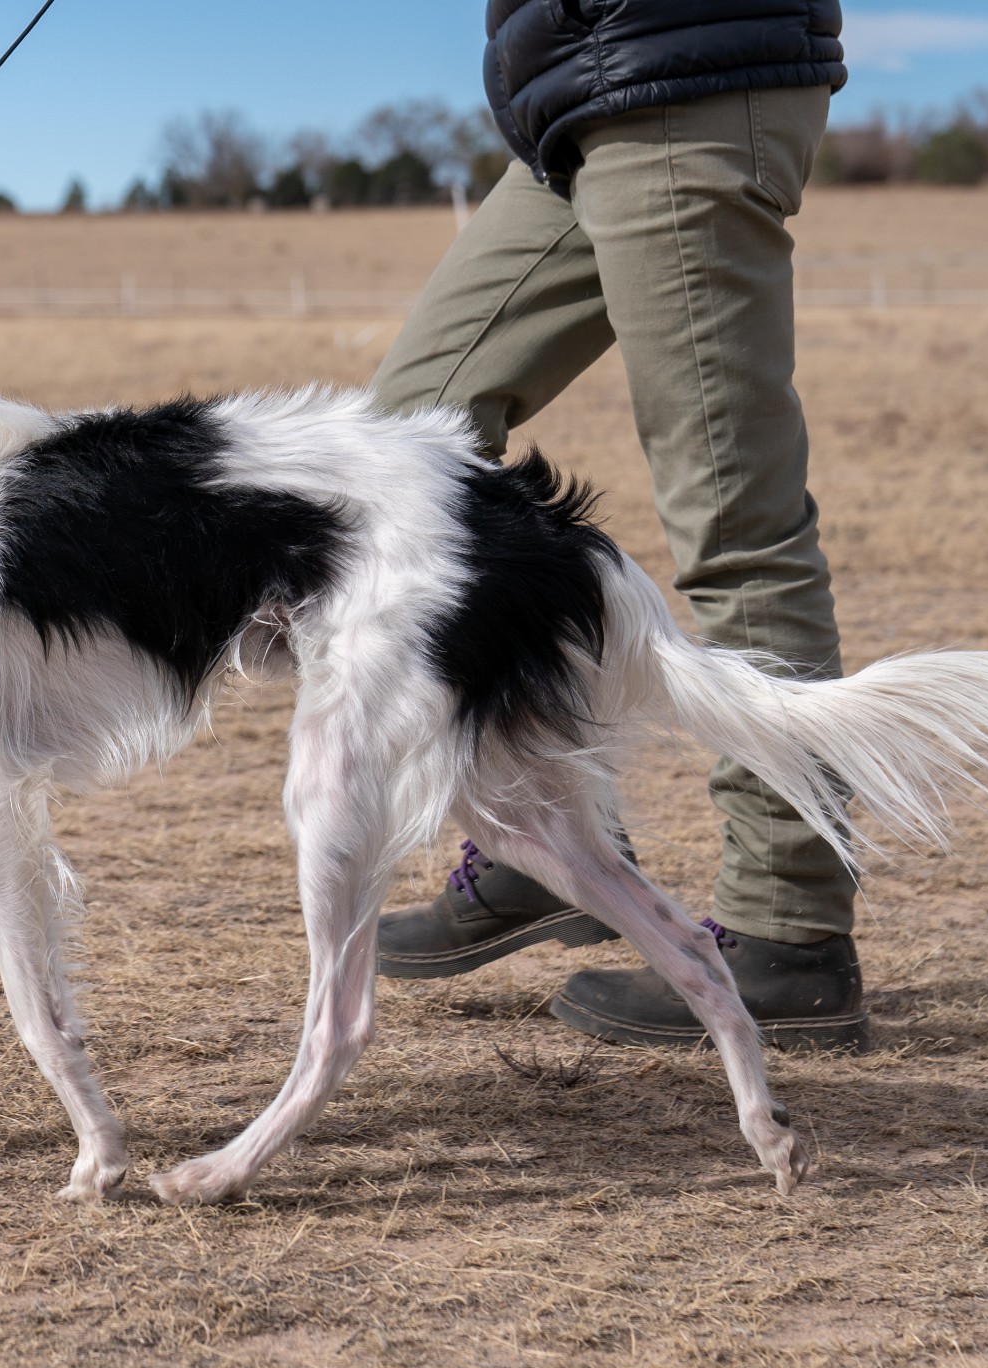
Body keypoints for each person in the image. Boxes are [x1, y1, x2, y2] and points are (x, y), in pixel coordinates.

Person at [371, 1, 868, 1051]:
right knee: (405, 445)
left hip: (685, 71)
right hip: (575, 98)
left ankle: (790, 932)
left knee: (736, 526)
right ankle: (545, 845)